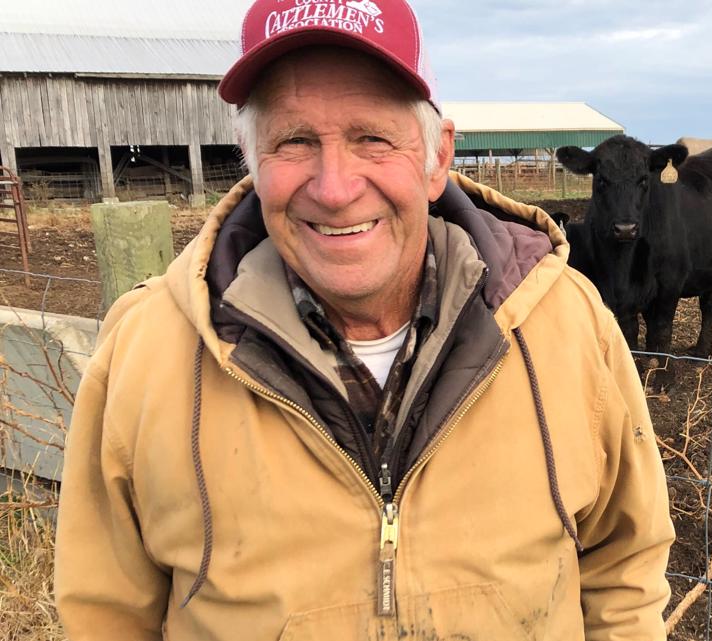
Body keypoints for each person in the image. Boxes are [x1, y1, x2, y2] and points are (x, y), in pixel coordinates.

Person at [53, 1, 674, 639]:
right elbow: (104, 615)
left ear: (438, 158)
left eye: (372, 138)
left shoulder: (567, 324)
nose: (335, 187)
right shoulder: (148, 353)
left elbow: (625, 571)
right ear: (250, 159)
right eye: (294, 141)